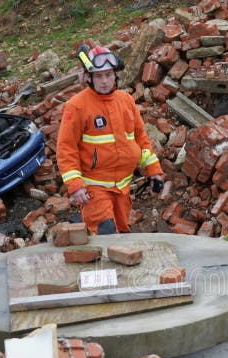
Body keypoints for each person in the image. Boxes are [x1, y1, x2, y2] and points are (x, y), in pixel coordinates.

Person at [56, 44, 164, 235]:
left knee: (122, 232)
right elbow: (66, 148)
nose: (104, 81)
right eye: (98, 76)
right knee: (106, 231)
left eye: (108, 74)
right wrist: (75, 185)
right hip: (94, 187)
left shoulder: (126, 100)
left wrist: (153, 170)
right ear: (88, 77)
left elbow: (140, 138)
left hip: (123, 186)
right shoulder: (76, 107)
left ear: (115, 75)